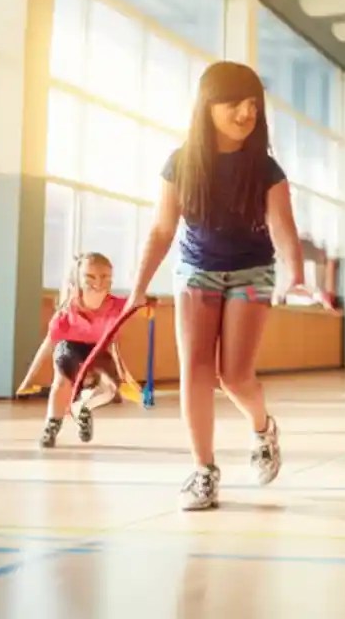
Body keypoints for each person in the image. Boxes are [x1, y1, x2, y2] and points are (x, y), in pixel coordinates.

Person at [126, 60, 324, 511]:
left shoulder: (266, 169)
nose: (245, 113)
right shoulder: (180, 164)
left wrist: (295, 274)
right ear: (207, 106)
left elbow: (283, 227)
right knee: (195, 369)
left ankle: (263, 429)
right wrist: (139, 286)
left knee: (233, 375)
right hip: (196, 269)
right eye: (235, 103)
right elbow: (161, 230)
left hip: (252, 273)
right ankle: (203, 471)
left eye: (253, 104)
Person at [19, 252, 132, 448]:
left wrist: (123, 374)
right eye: (90, 277)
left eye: (105, 276)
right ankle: (52, 425)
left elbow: (114, 339)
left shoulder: (118, 307)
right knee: (62, 383)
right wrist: (28, 381)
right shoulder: (65, 315)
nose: (98, 282)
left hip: (96, 350)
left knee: (109, 389)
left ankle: (82, 409)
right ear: (78, 280)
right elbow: (47, 346)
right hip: (69, 347)